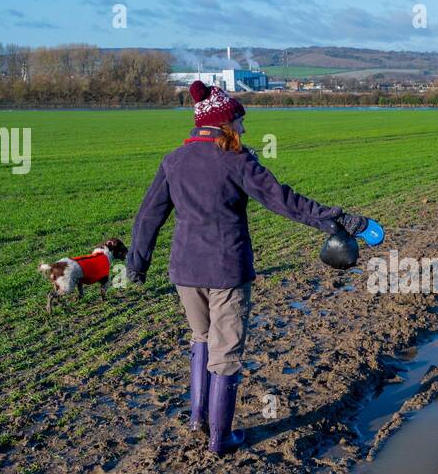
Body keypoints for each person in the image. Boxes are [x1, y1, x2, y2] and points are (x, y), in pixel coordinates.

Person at [127, 81, 379, 454]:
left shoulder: (174, 161)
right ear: (225, 123)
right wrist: (336, 220)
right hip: (226, 271)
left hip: (185, 272)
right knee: (225, 352)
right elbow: (285, 202)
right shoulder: (238, 161)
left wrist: (137, 265)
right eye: (240, 121)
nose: (245, 129)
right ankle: (219, 438)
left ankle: (199, 420)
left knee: (201, 339)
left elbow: (149, 217)